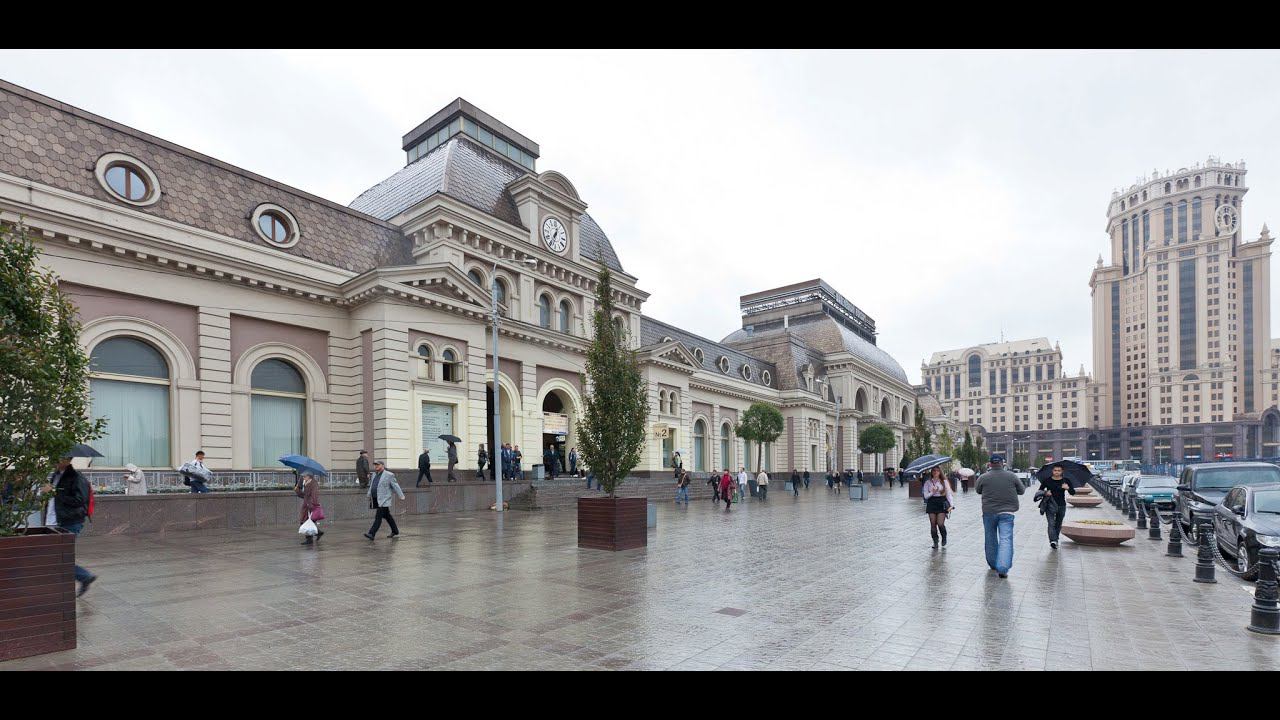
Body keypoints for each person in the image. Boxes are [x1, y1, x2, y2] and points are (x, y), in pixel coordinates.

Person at [46, 457, 96, 597]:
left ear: (67, 459)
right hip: (54, 520)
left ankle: (83, 576)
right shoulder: (56, 475)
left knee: (61, 556)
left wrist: (55, 492)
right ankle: (82, 577)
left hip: (70, 521)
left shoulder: (76, 477)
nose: (53, 460)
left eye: (57, 457)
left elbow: (80, 500)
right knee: (56, 556)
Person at [975, 453, 1024, 578]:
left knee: (990, 537)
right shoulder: (1012, 476)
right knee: (1006, 539)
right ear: (1003, 463)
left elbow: (978, 490)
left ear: (990, 464)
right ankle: (1002, 568)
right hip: (1007, 512)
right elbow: (1022, 491)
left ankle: (992, 563)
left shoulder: (983, 477)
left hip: (989, 512)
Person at [1036, 464, 1076, 549]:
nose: (1057, 472)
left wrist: (1068, 488)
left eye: (1059, 470)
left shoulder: (1066, 481)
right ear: (1052, 471)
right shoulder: (1047, 480)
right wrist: (1045, 493)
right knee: (1051, 524)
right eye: (1055, 470)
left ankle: (1056, 539)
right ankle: (1053, 541)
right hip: (1050, 505)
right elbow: (1040, 491)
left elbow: (1073, 493)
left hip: (1061, 505)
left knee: (1058, 524)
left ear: (1062, 471)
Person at [364, 460, 405, 540]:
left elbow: (395, 486)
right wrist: (369, 494)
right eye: (375, 465)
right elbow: (372, 485)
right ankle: (395, 531)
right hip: (376, 498)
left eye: (377, 465)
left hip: (384, 499)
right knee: (387, 515)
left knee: (378, 517)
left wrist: (401, 495)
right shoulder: (374, 474)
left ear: (382, 465)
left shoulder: (389, 475)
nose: (376, 466)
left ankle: (371, 534)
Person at [922, 466, 954, 549]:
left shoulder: (944, 482)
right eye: (934, 471)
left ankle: (944, 537)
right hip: (931, 503)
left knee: (940, 523)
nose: (935, 472)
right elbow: (925, 496)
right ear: (931, 472)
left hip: (941, 502)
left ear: (940, 472)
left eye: (937, 471)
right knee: (933, 524)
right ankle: (935, 541)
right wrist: (932, 492)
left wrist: (951, 505)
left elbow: (948, 494)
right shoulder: (927, 483)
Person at [295, 471, 324, 545]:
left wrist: (313, 504)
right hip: (306, 504)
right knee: (304, 521)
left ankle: (309, 539)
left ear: (309, 476)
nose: (303, 478)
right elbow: (303, 495)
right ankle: (318, 533)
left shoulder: (314, 484)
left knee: (306, 521)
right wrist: (297, 490)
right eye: (303, 476)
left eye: (304, 476)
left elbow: (314, 496)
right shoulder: (305, 482)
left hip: (311, 505)